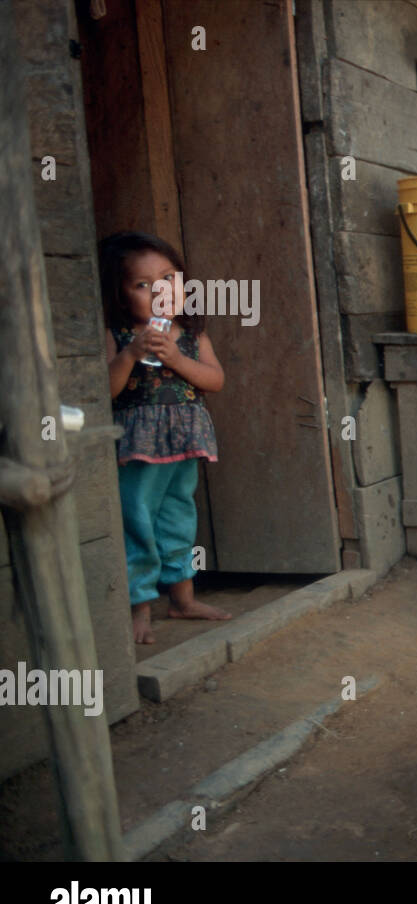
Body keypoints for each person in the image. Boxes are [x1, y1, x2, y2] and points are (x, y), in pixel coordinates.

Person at [101, 232, 230, 645]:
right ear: (121, 295)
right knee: (137, 521)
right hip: (139, 448)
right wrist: (129, 355)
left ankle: (182, 598)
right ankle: (139, 607)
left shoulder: (192, 335)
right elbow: (106, 391)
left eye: (169, 278)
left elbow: (215, 380)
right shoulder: (119, 336)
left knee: (178, 518)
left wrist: (177, 358)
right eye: (142, 284)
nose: (160, 291)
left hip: (184, 444)